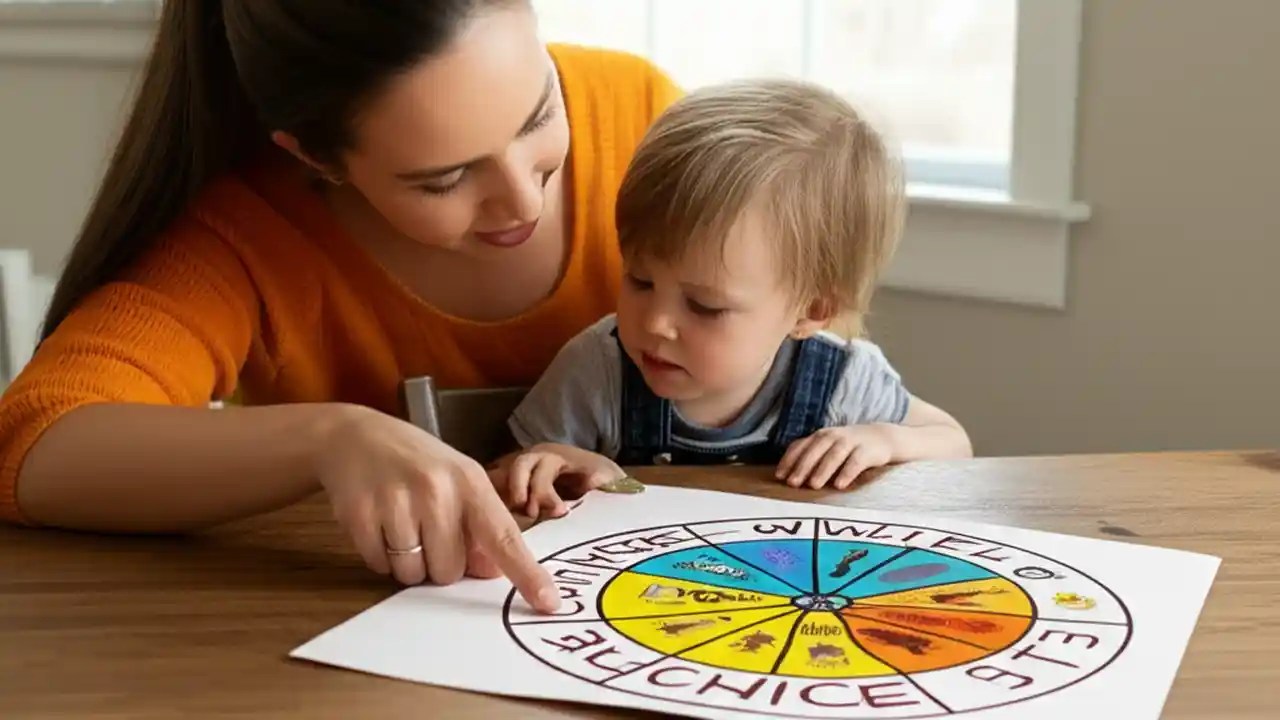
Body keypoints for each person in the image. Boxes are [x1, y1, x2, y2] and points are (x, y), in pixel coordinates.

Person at [0, 0, 684, 613]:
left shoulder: (647, 121)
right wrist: (329, 440)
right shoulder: (251, 238)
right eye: (444, 179)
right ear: (317, 157)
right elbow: (31, 445)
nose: (522, 201)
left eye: (540, 113)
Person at [495, 79, 973, 520]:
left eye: (705, 306)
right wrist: (553, 465)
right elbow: (497, 477)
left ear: (811, 311)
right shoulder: (598, 369)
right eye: (640, 280)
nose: (657, 322)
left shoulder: (843, 380)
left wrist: (884, 441)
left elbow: (955, 445)